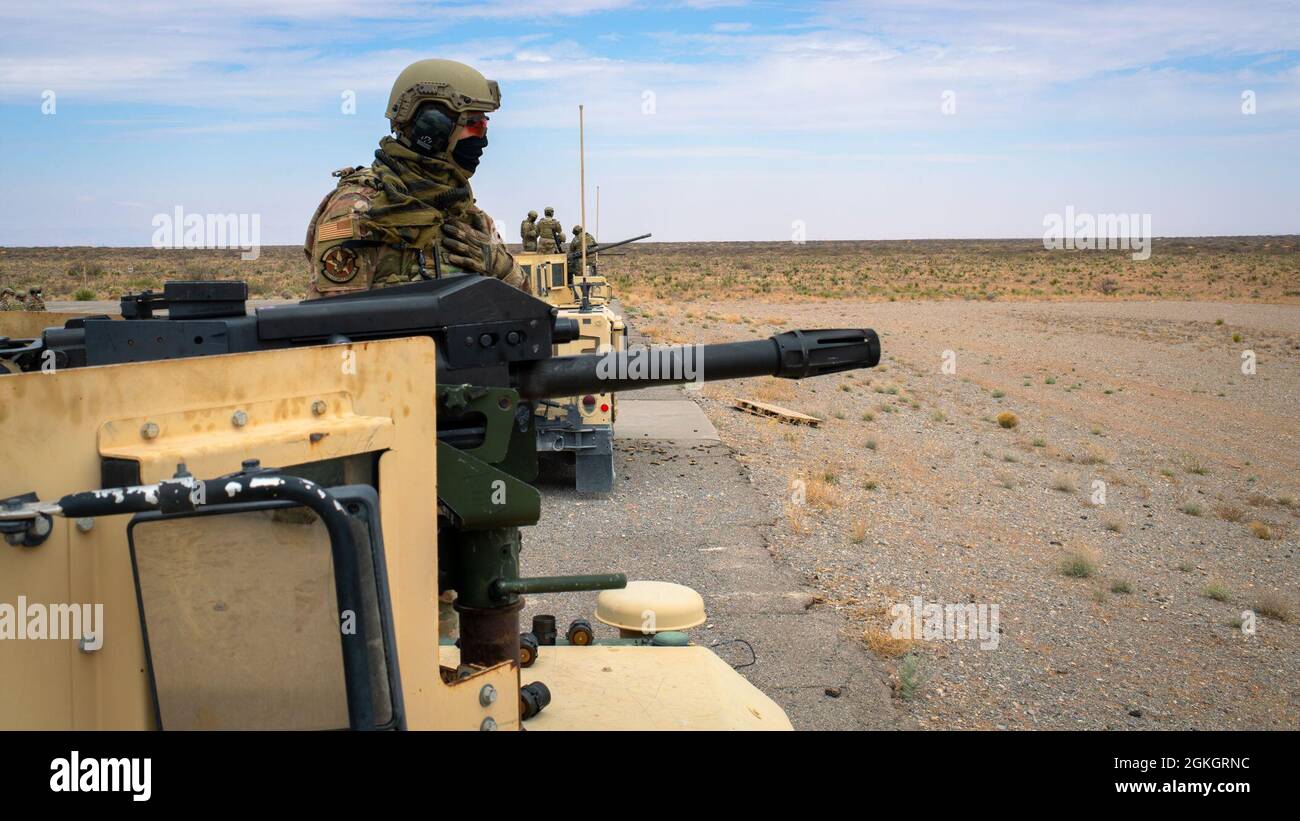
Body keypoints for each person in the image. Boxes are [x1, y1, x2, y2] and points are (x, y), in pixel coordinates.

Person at [303, 59, 527, 299]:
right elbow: (334, 324)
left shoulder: (469, 216)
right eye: (473, 125)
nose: (482, 140)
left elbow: (527, 310)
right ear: (431, 128)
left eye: (484, 126)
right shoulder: (359, 211)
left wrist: (501, 267)